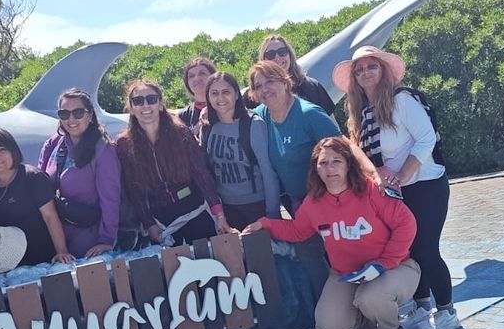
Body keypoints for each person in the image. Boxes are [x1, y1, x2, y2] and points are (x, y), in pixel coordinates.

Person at [244, 137, 420, 329]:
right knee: (330, 326)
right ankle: (367, 323)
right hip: (347, 275)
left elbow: (406, 224)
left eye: (337, 161)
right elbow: (298, 230)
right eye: (323, 163)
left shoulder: (372, 190)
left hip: (394, 268)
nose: (330, 168)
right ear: (316, 169)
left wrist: (385, 262)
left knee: (371, 298)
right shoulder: (313, 202)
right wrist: (265, 224)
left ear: (348, 165)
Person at [333, 45, 456, 329]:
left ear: (384, 70)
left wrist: (402, 175)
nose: (365, 73)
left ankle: (447, 310)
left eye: (371, 66)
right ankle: (422, 306)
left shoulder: (402, 100)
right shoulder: (362, 112)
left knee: (426, 248)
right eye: (359, 70)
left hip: (425, 185)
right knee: (409, 251)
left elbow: (426, 139)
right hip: (397, 192)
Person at [115, 78, 231, 246]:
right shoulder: (124, 144)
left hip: (195, 211)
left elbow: (201, 174)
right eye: (138, 101)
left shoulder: (180, 132)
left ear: (161, 105)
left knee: (210, 260)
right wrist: (149, 223)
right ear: (131, 108)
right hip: (162, 223)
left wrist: (219, 214)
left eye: (151, 99)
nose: (145, 105)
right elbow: (134, 189)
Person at [38, 88, 121, 258]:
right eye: (64, 114)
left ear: (90, 115)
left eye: (78, 113)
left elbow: (110, 199)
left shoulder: (103, 150)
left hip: (87, 238)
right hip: (54, 236)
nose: (71, 119)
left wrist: (106, 240)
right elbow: (38, 185)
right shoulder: (53, 144)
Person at [248, 61, 341, 210]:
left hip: (327, 199)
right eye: (258, 86)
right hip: (296, 202)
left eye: (270, 81)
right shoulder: (261, 115)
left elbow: (344, 150)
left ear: (285, 83)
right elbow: (236, 114)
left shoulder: (309, 114)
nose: (265, 89)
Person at [198, 71, 281, 230]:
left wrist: (272, 215)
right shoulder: (207, 126)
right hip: (225, 208)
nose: (220, 98)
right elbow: (205, 169)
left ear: (236, 94)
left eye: (226, 92)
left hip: (256, 205)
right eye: (214, 93)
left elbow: (268, 172)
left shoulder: (253, 124)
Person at [0, 128, 74, 266]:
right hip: (5, 264)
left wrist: (62, 251)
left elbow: (51, 217)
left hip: (40, 260)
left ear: (13, 151)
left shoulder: (33, 177)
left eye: (2, 149)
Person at [247, 34, 336, 115]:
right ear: (263, 59)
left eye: (282, 52)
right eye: (271, 54)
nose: (277, 57)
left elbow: (331, 123)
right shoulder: (255, 94)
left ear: (289, 55)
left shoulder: (311, 87)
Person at [176, 56, 215, 130]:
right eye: (191, 76)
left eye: (202, 73)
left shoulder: (225, 109)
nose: (196, 78)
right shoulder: (183, 117)